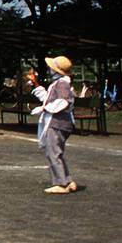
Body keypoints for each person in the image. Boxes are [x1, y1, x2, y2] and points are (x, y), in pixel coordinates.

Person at [30, 56, 78, 194]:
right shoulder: (59, 83)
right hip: (58, 122)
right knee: (56, 152)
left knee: (53, 152)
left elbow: (63, 102)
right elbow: (48, 99)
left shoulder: (62, 84)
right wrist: (36, 84)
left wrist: (45, 109)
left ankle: (61, 183)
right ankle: (67, 181)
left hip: (58, 123)